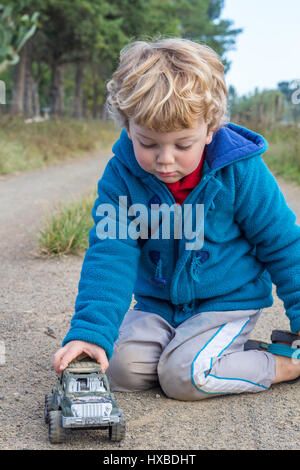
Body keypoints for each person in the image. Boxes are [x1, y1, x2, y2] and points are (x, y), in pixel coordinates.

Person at [53, 37, 300, 400]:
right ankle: (214, 354)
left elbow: (282, 244)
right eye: (148, 143)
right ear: (127, 127)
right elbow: (110, 252)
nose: (164, 160)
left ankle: (284, 364)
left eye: (183, 145)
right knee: (120, 367)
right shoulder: (121, 176)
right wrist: (90, 333)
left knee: (184, 377)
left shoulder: (241, 172)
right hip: (160, 306)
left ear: (210, 129)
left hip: (226, 304)